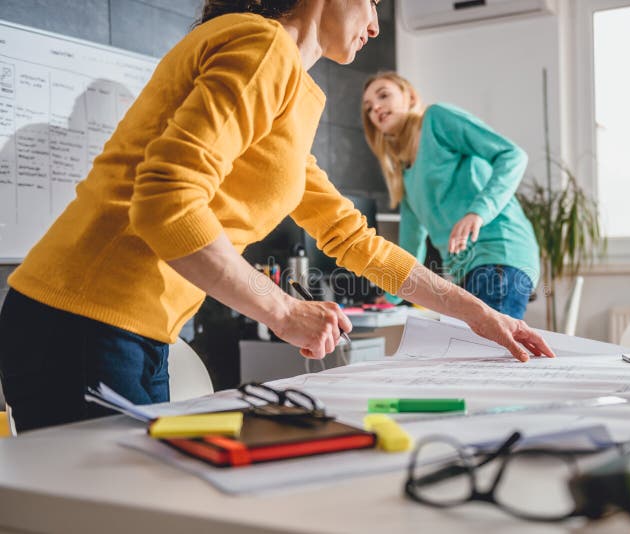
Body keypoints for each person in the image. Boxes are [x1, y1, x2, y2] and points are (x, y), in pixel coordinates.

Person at [0, 0, 554, 433]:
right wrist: (284, 311)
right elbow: (165, 201)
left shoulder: (282, 81)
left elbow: (353, 238)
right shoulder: (261, 45)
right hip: (83, 317)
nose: (376, 25)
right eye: (373, 3)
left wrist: (476, 313)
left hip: (127, 329)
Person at [361, 72, 540, 320]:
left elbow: (513, 156)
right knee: (477, 354)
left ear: (410, 96)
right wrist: (390, 297)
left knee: (485, 354)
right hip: (466, 271)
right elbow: (410, 247)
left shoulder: (436, 119)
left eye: (383, 95)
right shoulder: (406, 174)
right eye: (369, 107)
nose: (376, 108)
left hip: (498, 254)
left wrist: (478, 212)